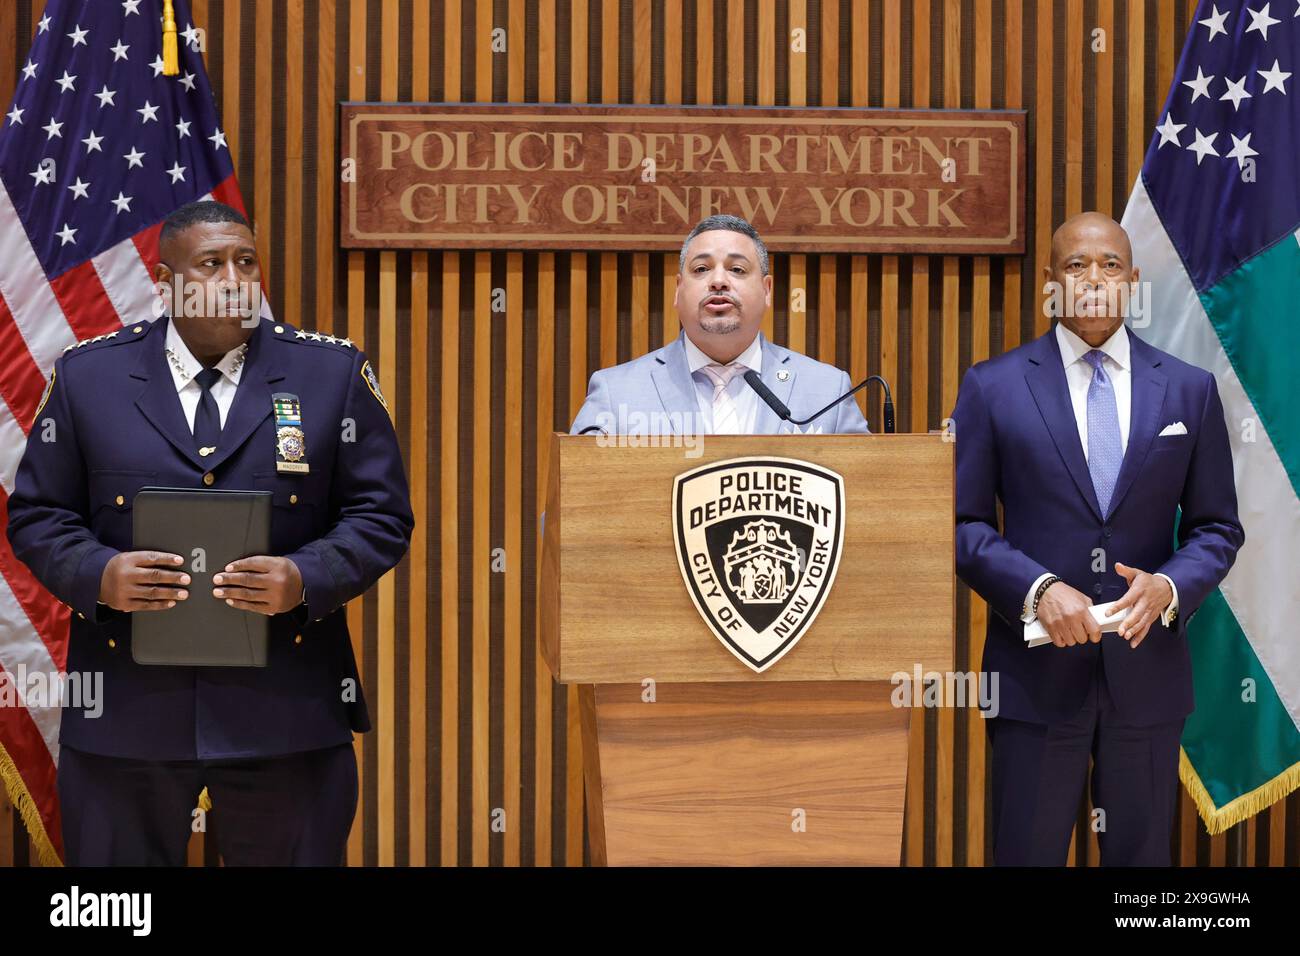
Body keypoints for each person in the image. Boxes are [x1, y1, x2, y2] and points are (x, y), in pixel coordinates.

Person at [6, 200, 414, 865]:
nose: (234, 278)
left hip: (286, 713)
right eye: (212, 263)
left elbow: (381, 515)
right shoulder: (90, 378)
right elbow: (37, 516)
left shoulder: (330, 374)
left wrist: (307, 577)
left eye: (246, 261)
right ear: (164, 283)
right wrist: (99, 574)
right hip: (127, 716)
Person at [951, 211, 1244, 865]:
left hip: (1147, 678)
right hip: (1033, 679)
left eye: (1109, 264)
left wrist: (1170, 584)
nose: (1093, 278)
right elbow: (961, 524)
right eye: (1076, 265)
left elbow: (1217, 527)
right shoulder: (993, 387)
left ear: (1133, 281)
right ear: (1050, 283)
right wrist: (1036, 589)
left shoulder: (1189, 392)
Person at [570, 214, 870, 436]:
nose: (718, 281)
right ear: (677, 290)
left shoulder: (829, 392)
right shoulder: (616, 392)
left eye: (737, 269)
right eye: (701, 269)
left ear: (767, 290)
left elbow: (874, 505)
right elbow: (567, 513)